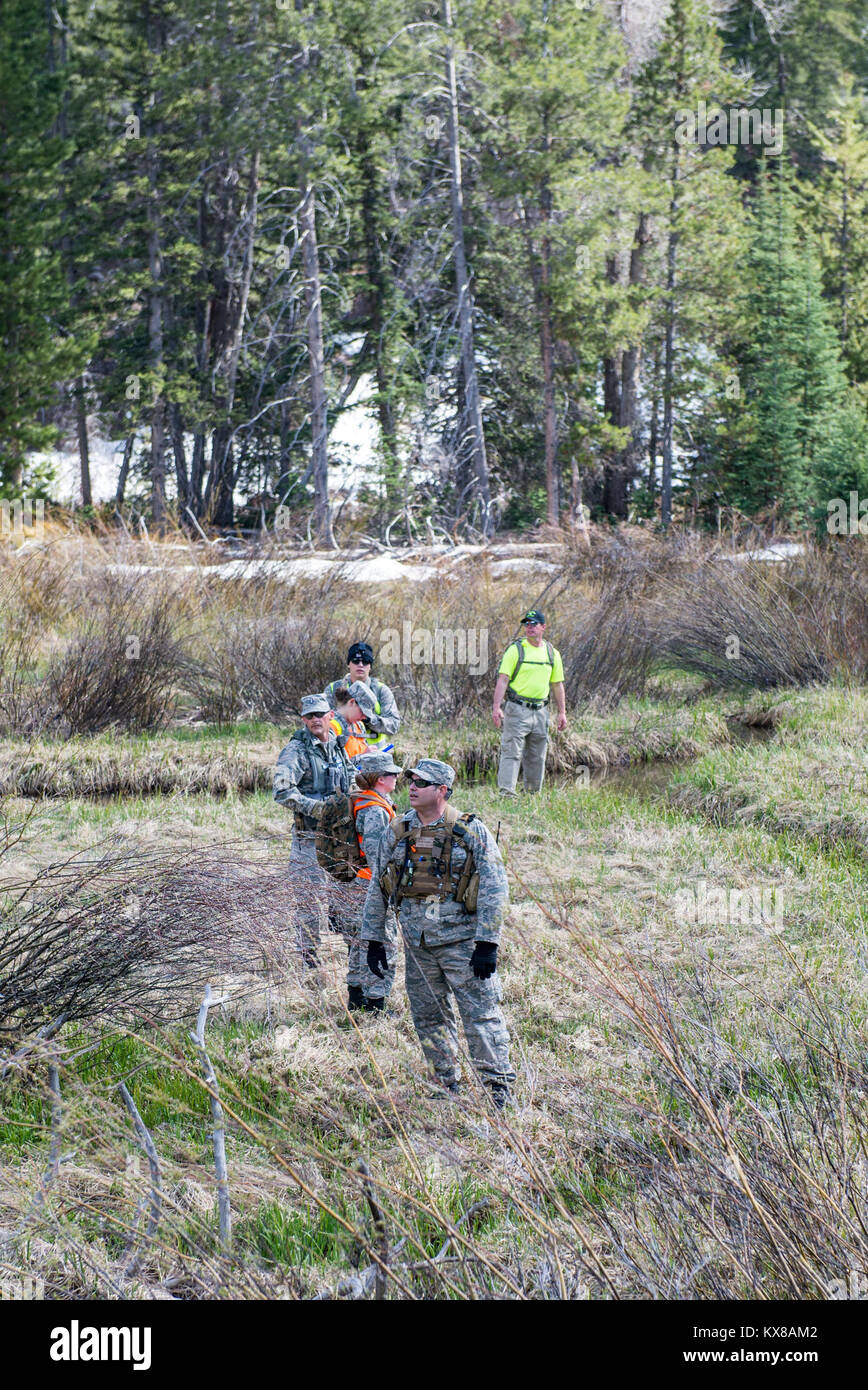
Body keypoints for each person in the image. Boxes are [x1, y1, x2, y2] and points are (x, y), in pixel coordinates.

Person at [360, 759, 515, 1109]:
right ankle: (444, 1086)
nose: (412, 786)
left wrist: (488, 942)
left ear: (442, 790)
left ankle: (497, 1090)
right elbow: (379, 887)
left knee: (481, 1016)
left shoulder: (470, 830)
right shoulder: (397, 830)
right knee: (429, 1018)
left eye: (422, 783)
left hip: (462, 945)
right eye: (411, 780)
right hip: (419, 946)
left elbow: (494, 886)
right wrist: (374, 938)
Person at [272, 694, 353, 970]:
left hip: (341, 839)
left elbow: (351, 776)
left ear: (330, 714)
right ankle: (309, 960)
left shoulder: (338, 747)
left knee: (345, 897)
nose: (315, 720)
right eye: (310, 716)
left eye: (320, 714)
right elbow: (281, 792)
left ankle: (353, 952)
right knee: (309, 902)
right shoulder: (296, 751)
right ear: (303, 719)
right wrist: (319, 809)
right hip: (311, 841)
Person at [344, 750, 402, 1012]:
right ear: (380, 778)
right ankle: (376, 1003)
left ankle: (356, 997)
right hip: (372, 885)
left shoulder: (363, 800)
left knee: (358, 941)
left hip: (358, 883)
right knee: (382, 942)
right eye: (393, 774)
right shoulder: (375, 810)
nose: (398, 777)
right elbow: (377, 854)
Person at [492, 609, 568, 795]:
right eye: (527, 624)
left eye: (534, 624)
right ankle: (507, 794)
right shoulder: (515, 650)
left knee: (537, 755)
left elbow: (557, 685)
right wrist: (496, 707)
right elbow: (503, 680)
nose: (529, 627)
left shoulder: (552, 653)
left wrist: (562, 712)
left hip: (542, 711)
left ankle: (532, 794)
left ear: (543, 627)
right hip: (517, 709)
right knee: (512, 752)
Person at [324, 642, 400, 751]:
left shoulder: (381, 690)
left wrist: (368, 718)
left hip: (375, 754)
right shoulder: (333, 689)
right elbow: (321, 720)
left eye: (365, 661)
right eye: (355, 661)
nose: (360, 665)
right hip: (341, 752)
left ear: (370, 666)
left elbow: (394, 726)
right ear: (348, 664)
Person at [328, 682, 377, 762]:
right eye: (362, 712)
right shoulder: (331, 726)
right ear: (352, 702)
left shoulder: (359, 725)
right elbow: (332, 765)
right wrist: (362, 756)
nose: (364, 717)